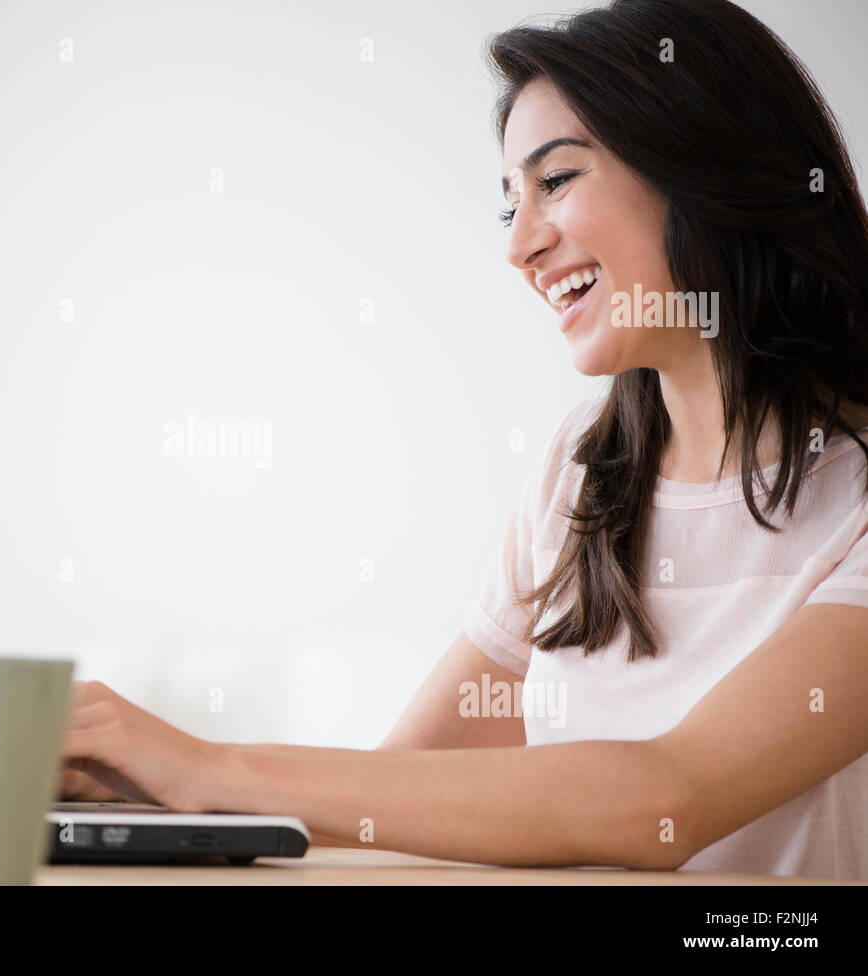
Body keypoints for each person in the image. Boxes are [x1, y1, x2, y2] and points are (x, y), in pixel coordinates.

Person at [60, 0, 868, 879]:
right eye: (508, 203)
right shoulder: (585, 475)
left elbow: (665, 803)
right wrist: (152, 795)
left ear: (702, 163)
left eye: (555, 181)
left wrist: (209, 768)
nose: (520, 244)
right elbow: (400, 789)